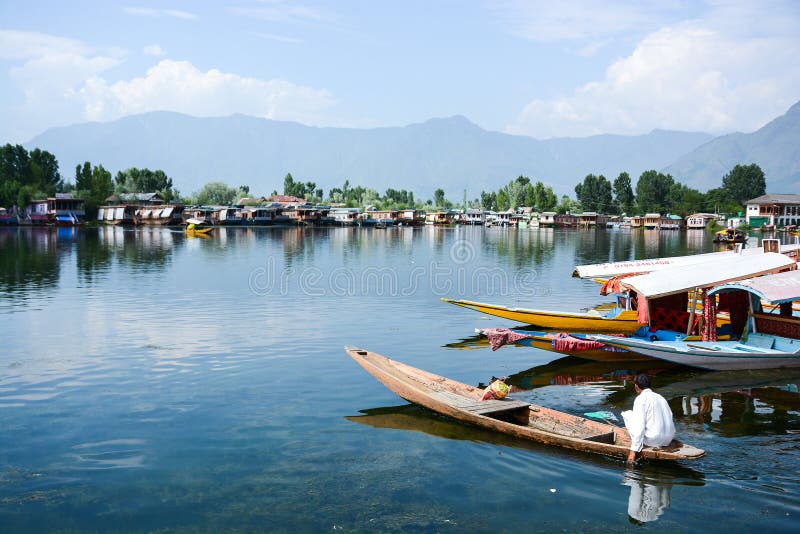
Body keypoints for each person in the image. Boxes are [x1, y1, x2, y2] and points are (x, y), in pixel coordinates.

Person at [622, 374, 675, 463]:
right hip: (668, 439)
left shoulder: (640, 399)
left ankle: (638, 443)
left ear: (636, 386)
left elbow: (639, 426)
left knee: (627, 414)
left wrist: (633, 451)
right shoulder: (660, 397)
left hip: (653, 441)